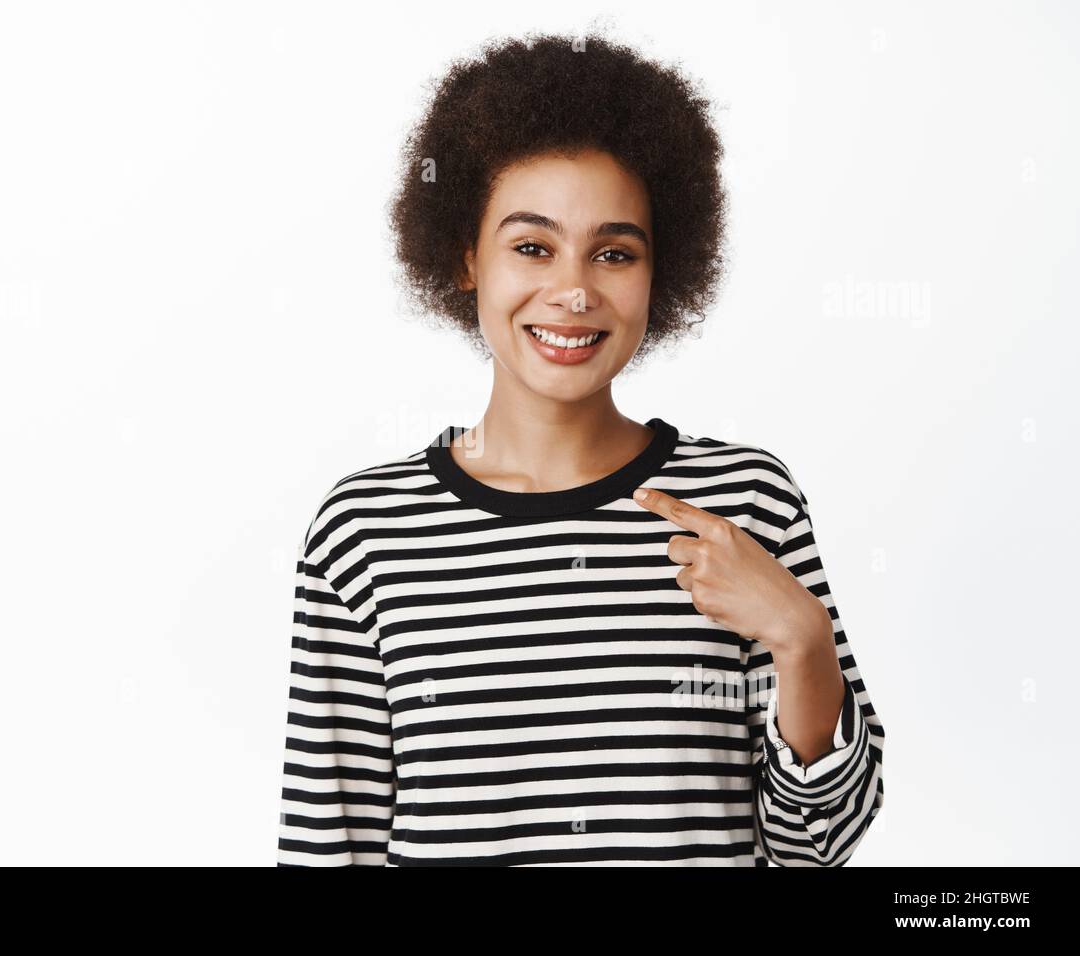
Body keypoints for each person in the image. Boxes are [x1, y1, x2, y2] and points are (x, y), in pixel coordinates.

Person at [276, 31, 884, 866]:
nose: (573, 290)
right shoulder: (366, 532)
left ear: (658, 272)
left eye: (613, 252)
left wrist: (802, 639)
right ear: (466, 259)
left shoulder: (744, 500)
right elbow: (327, 841)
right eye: (532, 246)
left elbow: (817, 847)